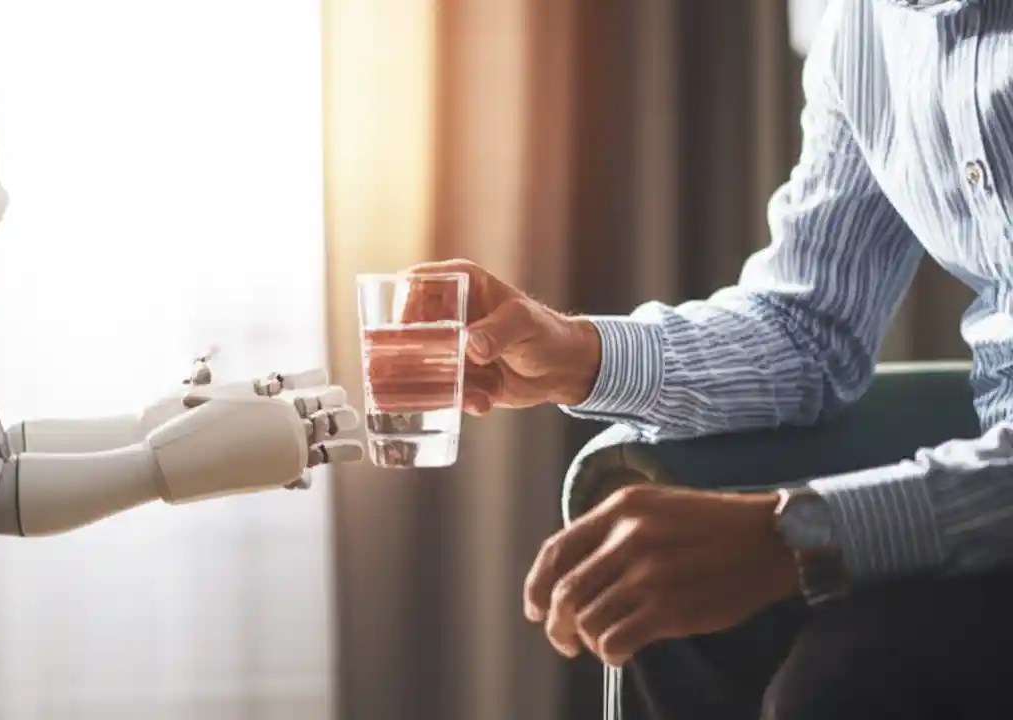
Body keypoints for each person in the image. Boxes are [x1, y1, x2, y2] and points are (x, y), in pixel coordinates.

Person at [403, 1, 1013, 718]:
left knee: (842, 683)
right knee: (665, 611)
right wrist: (575, 352)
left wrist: (796, 538)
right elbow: (807, 326)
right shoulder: (865, 29)